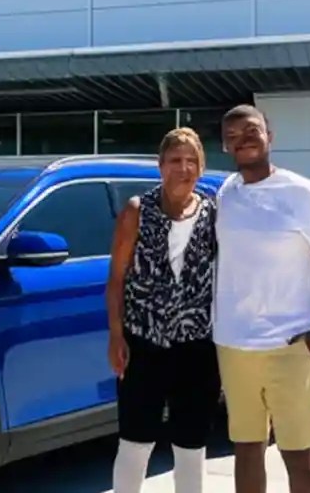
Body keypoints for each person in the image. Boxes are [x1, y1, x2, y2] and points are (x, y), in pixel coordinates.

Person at [213, 104, 310, 493]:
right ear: (225, 146)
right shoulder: (226, 193)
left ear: (270, 134)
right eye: (233, 135)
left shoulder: (303, 192)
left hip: (289, 344)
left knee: (299, 455)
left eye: (251, 130)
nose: (243, 139)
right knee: (246, 449)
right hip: (234, 345)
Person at [105, 127, 221, 493]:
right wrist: (116, 334)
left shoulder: (212, 213)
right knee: (135, 442)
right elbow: (116, 279)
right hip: (144, 342)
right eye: (175, 160)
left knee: (191, 445)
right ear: (160, 166)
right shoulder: (137, 212)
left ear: (200, 169)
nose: (182, 169)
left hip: (197, 346)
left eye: (191, 162)